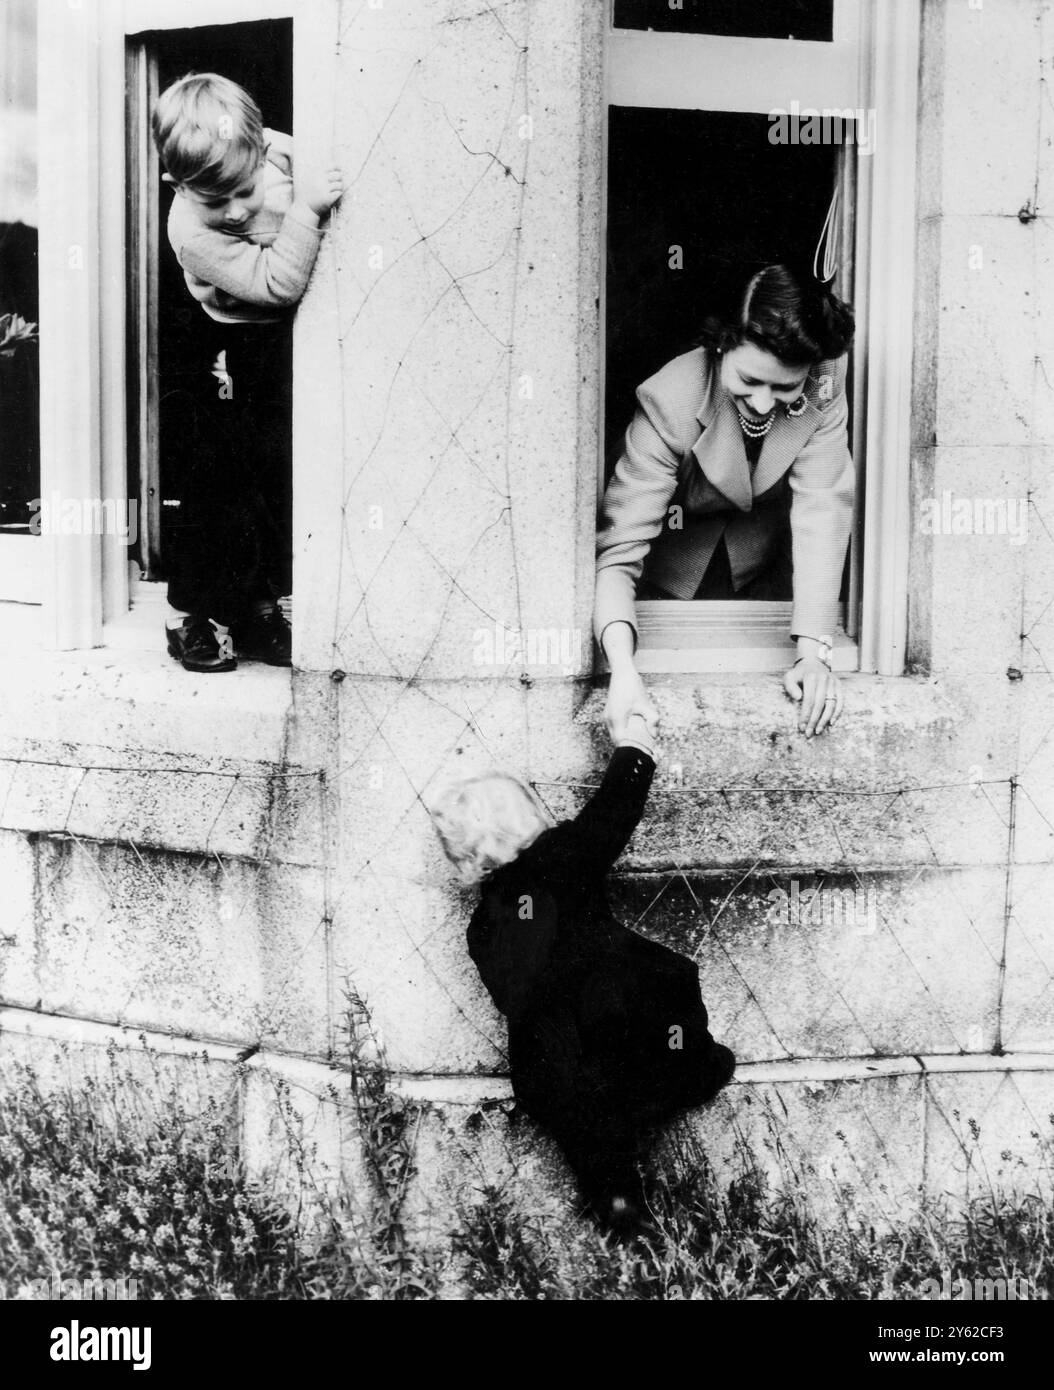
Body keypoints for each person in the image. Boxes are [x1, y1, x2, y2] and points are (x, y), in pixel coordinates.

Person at [431, 715, 735, 1232]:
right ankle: (697, 1072)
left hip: (548, 1062)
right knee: (680, 1051)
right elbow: (616, 807)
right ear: (525, 819)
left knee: (585, 1122)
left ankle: (614, 1195)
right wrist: (634, 747)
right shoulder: (563, 859)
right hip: (624, 1029)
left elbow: (516, 992)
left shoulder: (483, 926)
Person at [596, 263, 855, 740]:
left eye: (783, 388)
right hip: (670, 568)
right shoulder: (671, 396)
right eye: (750, 380)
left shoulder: (824, 379)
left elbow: (824, 507)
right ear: (721, 346)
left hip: (764, 564)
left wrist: (814, 653)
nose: (761, 403)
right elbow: (618, 551)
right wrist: (623, 671)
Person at [151, 72, 343, 671]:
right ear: (176, 184)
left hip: (275, 347)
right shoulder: (190, 229)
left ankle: (259, 610)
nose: (234, 210)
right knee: (221, 482)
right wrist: (307, 209)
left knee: (274, 475)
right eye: (214, 198)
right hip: (224, 343)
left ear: (259, 150)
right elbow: (275, 284)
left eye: (242, 188)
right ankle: (197, 618)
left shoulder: (276, 150)